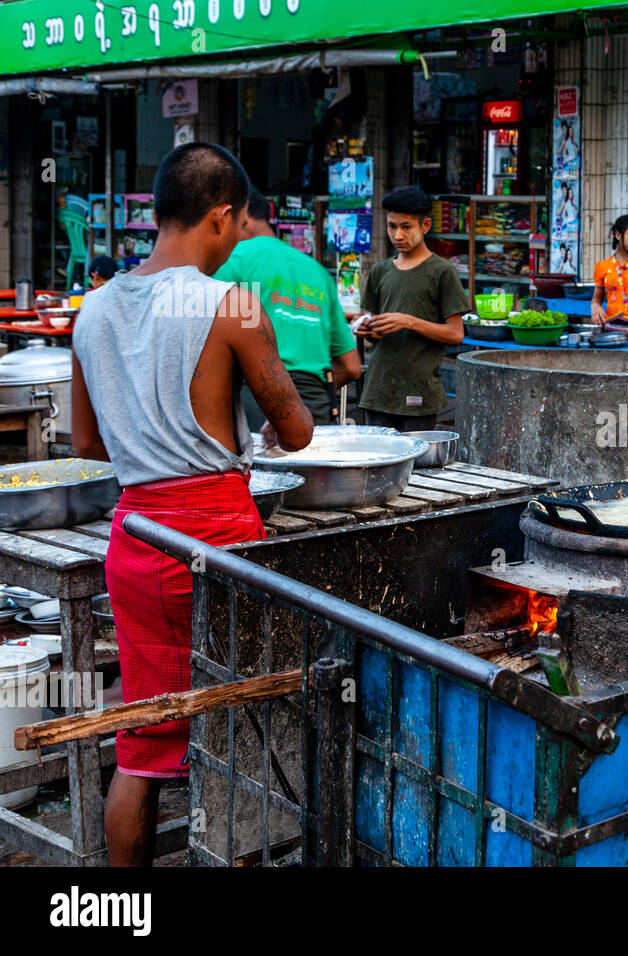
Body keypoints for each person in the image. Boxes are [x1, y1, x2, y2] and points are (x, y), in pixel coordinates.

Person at [70, 143, 313, 866]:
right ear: (219, 215)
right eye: (237, 225)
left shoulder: (94, 308)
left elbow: (88, 441)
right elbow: (297, 432)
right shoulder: (230, 304)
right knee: (238, 729)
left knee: (144, 738)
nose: (239, 238)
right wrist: (257, 422)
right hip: (216, 541)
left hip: (137, 541)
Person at [214, 190, 361, 427]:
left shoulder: (231, 260)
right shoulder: (317, 271)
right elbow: (351, 367)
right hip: (314, 404)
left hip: (254, 400)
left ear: (239, 216)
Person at [355, 186, 468, 432]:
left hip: (419, 390)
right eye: (391, 226)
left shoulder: (442, 271)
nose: (397, 235)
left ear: (425, 225)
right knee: (375, 464)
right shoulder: (380, 271)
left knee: (415, 467)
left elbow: (456, 334)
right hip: (378, 389)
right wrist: (367, 329)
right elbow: (375, 330)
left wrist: (409, 322)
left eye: (406, 227)